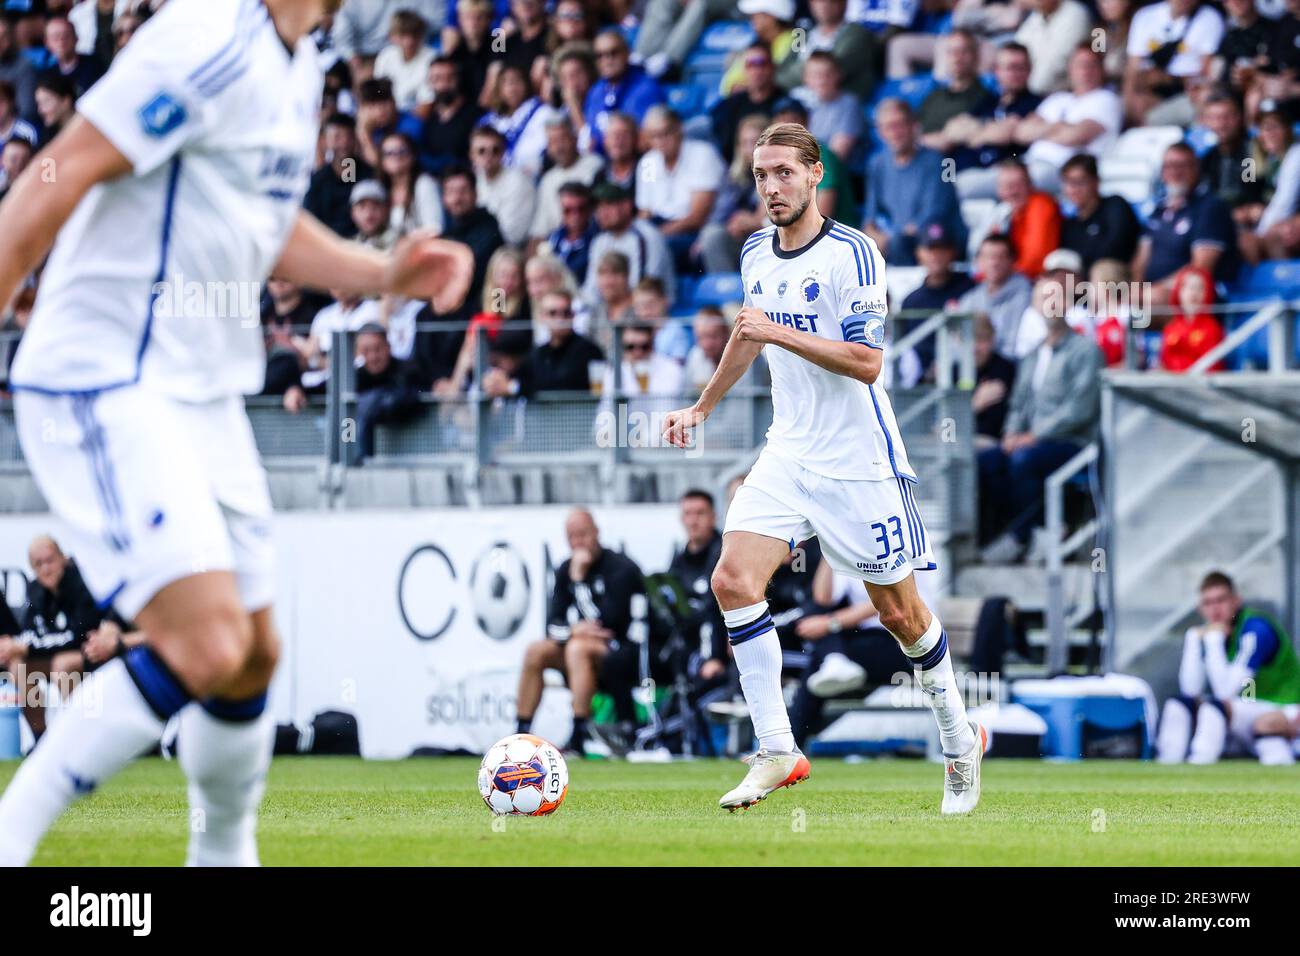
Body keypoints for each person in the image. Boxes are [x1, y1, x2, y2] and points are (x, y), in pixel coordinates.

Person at [0, 0, 473, 868]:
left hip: (201, 395)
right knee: (205, 644)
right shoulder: (206, 34)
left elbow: (261, 224)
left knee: (253, 655)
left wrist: (380, 273)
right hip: (105, 376)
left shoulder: (299, 63)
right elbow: (54, 174)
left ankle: (222, 860)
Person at [662, 123, 985, 814]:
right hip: (789, 449)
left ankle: (960, 739)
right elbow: (747, 340)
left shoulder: (854, 253)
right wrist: (703, 406)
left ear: (814, 175)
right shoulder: (754, 251)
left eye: (783, 172)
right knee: (732, 579)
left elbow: (867, 362)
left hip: (858, 460)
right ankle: (777, 747)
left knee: (898, 613)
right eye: (760, 175)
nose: (771, 187)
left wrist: (776, 329)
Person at [514, 508, 651, 755]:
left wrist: (579, 582)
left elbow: (607, 625)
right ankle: (520, 733)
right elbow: (553, 625)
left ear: (596, 532)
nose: (578, 542)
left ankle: (578, 733)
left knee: (578, 648)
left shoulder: (620, 568)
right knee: (536, 651)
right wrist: (574, 631)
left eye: (583, 534)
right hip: (577, 649)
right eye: (572, 536)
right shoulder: (564, 569)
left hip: (617, 653)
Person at [978, 291, 1103, 560]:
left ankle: (1023, 536)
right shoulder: (1033, 354)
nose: (1051, 304)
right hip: (1031, 441)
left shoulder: (1085, 350)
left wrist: (1033, 435)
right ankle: (1018, 531)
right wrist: (1011, 432)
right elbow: (1019, 402)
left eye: (1057, 297)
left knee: (1024, 461)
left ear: (1068, 304)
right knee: (987, 461)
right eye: (1043, 298)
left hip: (1073, 442)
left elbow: (1080, 409)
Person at [0, 536, 135, 742]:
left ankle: (79, 739)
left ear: (63, 558)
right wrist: (19, 647)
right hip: (63, 653)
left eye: (50, 560)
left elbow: (78, 636)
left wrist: (26, 646)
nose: (46, 568)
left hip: (99, 653)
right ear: (32, 568)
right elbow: (29, 633)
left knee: (63, 665)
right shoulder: (35, 590)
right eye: (39, 564)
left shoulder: (81, 583)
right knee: (18, 666)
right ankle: (41, 740)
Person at [1157, 571, 1300, 765]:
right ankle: (1167, 764)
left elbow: (1226, 692)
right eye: (1208, 603)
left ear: (1236, 601)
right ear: (1200, 608)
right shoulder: (1211, 633)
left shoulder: (1256, 629)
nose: (1215, 609)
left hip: (1283, 707)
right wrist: (1193, 642)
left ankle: (1201, 764)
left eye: (1221, 600)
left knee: (1214, 707)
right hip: (1245, 709)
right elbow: (1190, 690)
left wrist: (1214, 641)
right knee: (1178, 704)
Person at [863, 98, 966, 266]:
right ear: (880, 132)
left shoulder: (940, 161)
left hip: (934, 240)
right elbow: (870, 218)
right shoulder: (877, 164)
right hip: (895, 243)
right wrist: (874, 238)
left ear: (913, 126)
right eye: (888, 127)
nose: (894, 133)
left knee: (899, 242)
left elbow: (933, 215)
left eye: (899, 125)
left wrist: (890, 238)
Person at [351, 323, 424, 462]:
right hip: (361, 459)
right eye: (366, 350)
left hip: (412, 453)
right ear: (357, 352)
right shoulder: (352, 380)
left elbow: (415, 399)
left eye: (378, 349)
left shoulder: (408, 371)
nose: (373, 356)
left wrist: (380, 403)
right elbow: (346, 418)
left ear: (388, 347)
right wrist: (347, 446)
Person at [1058, 153, 1141, 272]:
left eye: (1080, 181)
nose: (1074, 189)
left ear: (1096, 182)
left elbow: (1117, 249)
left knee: (1102, 270)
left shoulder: (1115, 205)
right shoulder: (1069, 225)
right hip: (1081, 282)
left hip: (1119, 279)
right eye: (1068, 182)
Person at [470, 124, 535, 247]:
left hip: (507, 251)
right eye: (481, 151)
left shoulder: (518, 181)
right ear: (472, 155)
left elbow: (512, 236)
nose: (488, 156)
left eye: (495, 150)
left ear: (503, 152)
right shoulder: (474, 179)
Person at [1160, 265, 1225, 372]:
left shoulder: (1213, 328)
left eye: (1200, 288)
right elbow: (1163, 362)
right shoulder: (1170, 328)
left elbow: (1213, 366)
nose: (1193, 293)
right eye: (1188, 287)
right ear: (1178, 292)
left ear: (1208, 293)